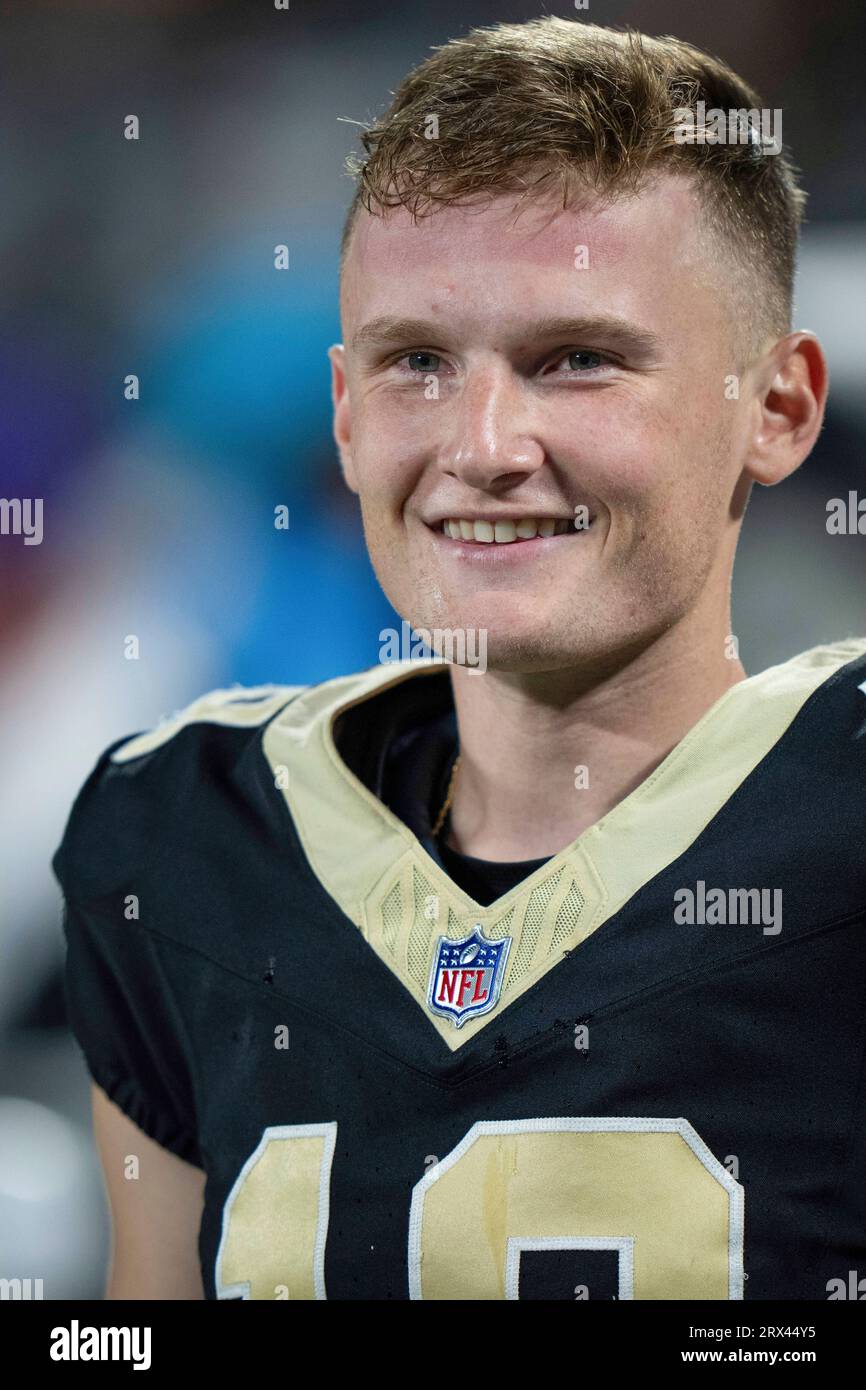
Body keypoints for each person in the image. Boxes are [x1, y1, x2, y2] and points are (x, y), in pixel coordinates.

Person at [54, 18, 865, 1300]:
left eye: (576, 360)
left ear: (774, 408)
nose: (483, 444)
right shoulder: (181, 835)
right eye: (417, 362)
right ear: (341, 407)